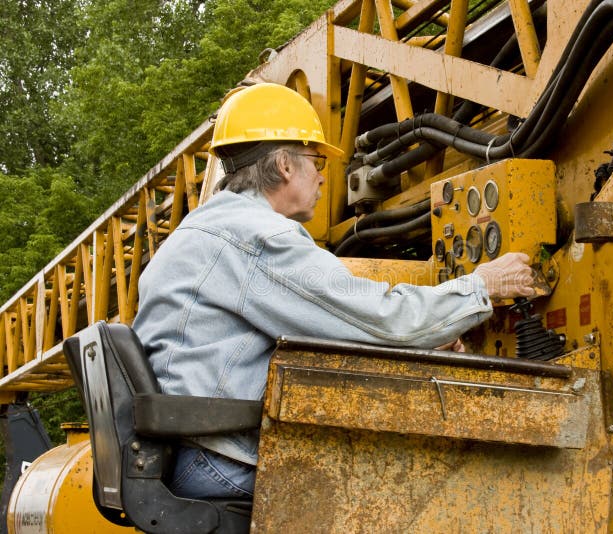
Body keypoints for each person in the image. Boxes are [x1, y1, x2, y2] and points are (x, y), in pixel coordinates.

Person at [132, 83, 536, 500]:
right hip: (218, 461)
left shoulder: (199, 231)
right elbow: (384, 320)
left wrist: (429, 333)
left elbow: (323, 332)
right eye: (317, 160)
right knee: (414, 487)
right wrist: (481, 286)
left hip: (188, 454)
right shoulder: (259, 237)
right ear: (285, 165)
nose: (323, 175)